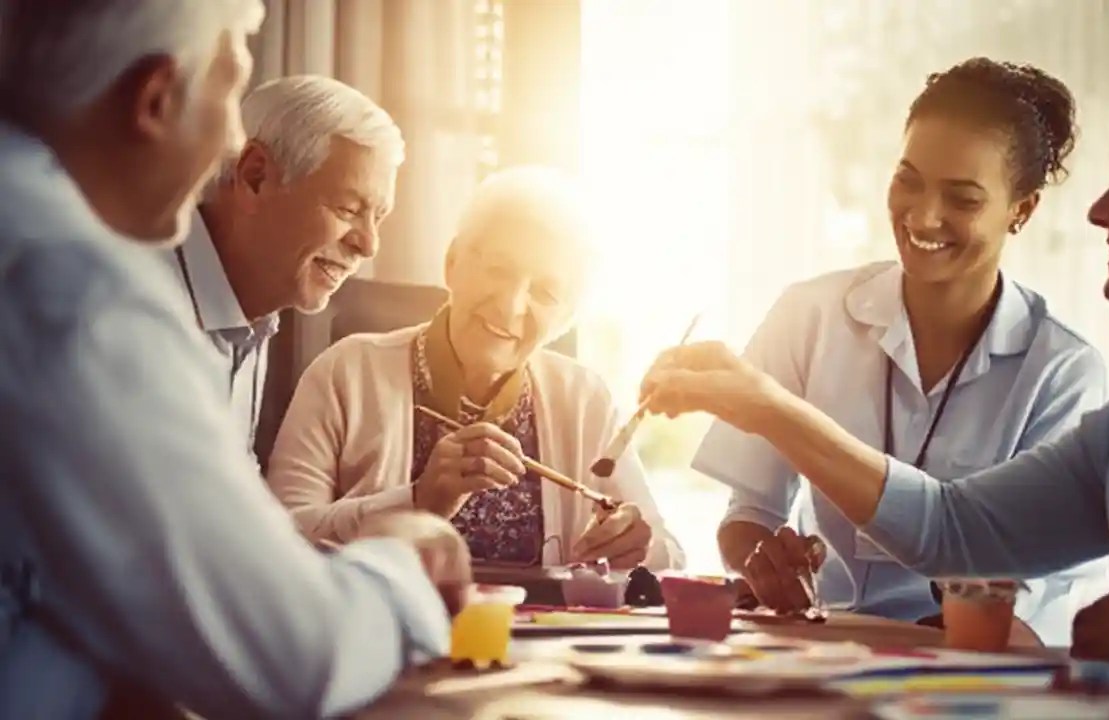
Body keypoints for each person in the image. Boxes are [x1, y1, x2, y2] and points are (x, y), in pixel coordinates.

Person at [642, 50, 1109, 686]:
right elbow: (950, 527)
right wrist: (765, 407)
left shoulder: (1069, 367)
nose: (1097, 211)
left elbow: (1013, 590)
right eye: (909, 179)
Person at [0, 2, 470, 717]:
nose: (228, 140)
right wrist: (404, 561)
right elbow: (291, 656)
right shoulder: (83, 297)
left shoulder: (242, 324)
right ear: (156, 100)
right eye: (227, 97)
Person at [694, 57, 1109, 646]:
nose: (923, 216)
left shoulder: (1062, 369)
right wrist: (764, 564)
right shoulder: (810, 314)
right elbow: (749, 511)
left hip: (960, 659)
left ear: (1022, 210)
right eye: (908, 180)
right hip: (815, 642)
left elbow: (1030, 587)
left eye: (962, 199)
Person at [267, 167, 684, 571]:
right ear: (452, 264)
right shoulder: (346, 372)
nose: (510, 306)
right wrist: (418, 500)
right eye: (498, 271)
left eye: (545, 292)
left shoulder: (584, 399)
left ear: (566, 319)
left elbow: (669, 556)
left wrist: (636, 548)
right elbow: (277, 543)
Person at [166, 75, 403, 452]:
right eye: (348, 209)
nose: (368, 245)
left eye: (379, 218)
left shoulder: (253, 315)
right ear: (255, 177)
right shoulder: (134, 307)